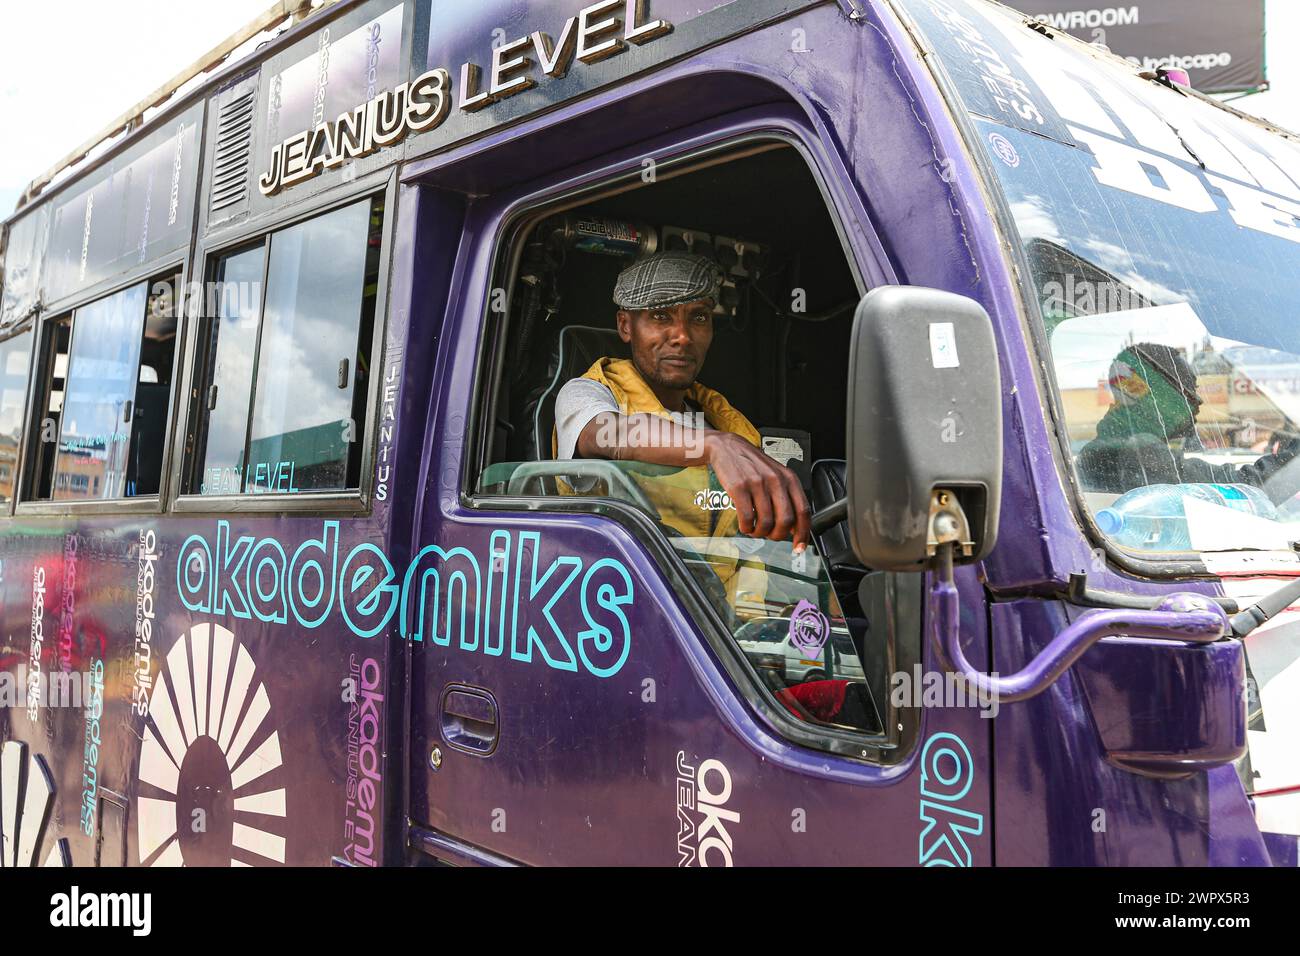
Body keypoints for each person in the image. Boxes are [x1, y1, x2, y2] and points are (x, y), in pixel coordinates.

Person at [553, 251, 812, 552]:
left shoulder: (721, 419)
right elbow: (611, 434)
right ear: (625, 326)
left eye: (698, 317)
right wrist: (712, 446)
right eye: (661, 316)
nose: (683, 336)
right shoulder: (587, 393)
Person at [1077, 342, 1298, 493]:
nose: (1198, 404)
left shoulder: (1097, 451)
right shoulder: (1142, 451)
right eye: (1190, 393)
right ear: (1161, 400)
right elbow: (1245, 487)